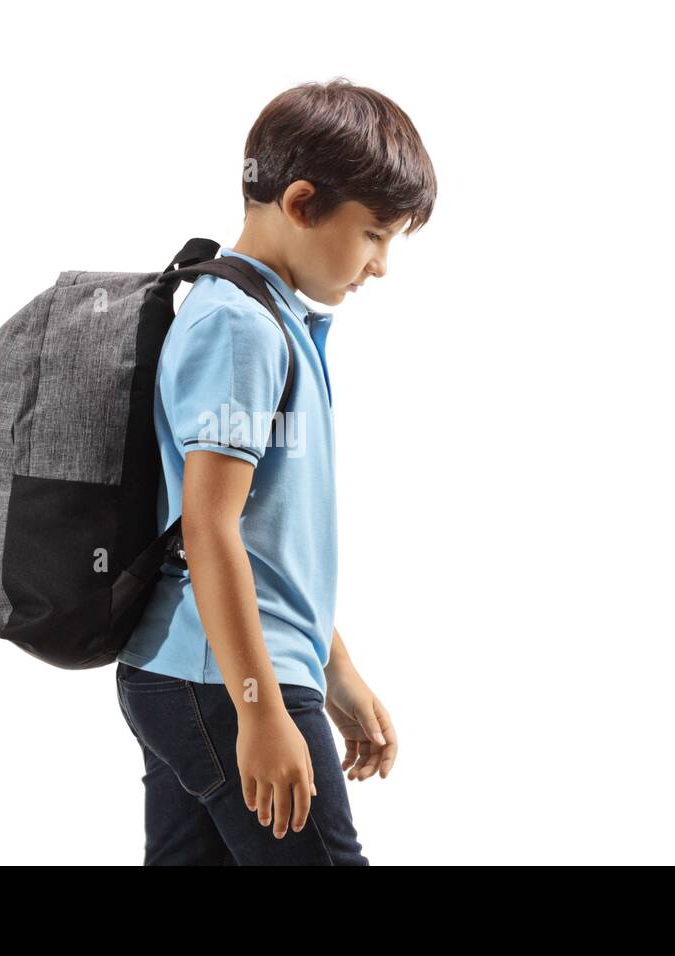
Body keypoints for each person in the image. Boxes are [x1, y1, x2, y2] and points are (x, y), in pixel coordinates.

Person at [115, 77, 437, 865]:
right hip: (227, 679)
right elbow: (209, 525)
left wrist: (335, 667)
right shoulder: (240, 328)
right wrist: (260, 709)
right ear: (299, 203)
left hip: (200, 672)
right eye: (373, 235)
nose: (382, 264)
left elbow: (266, 542)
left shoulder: (270, 319)